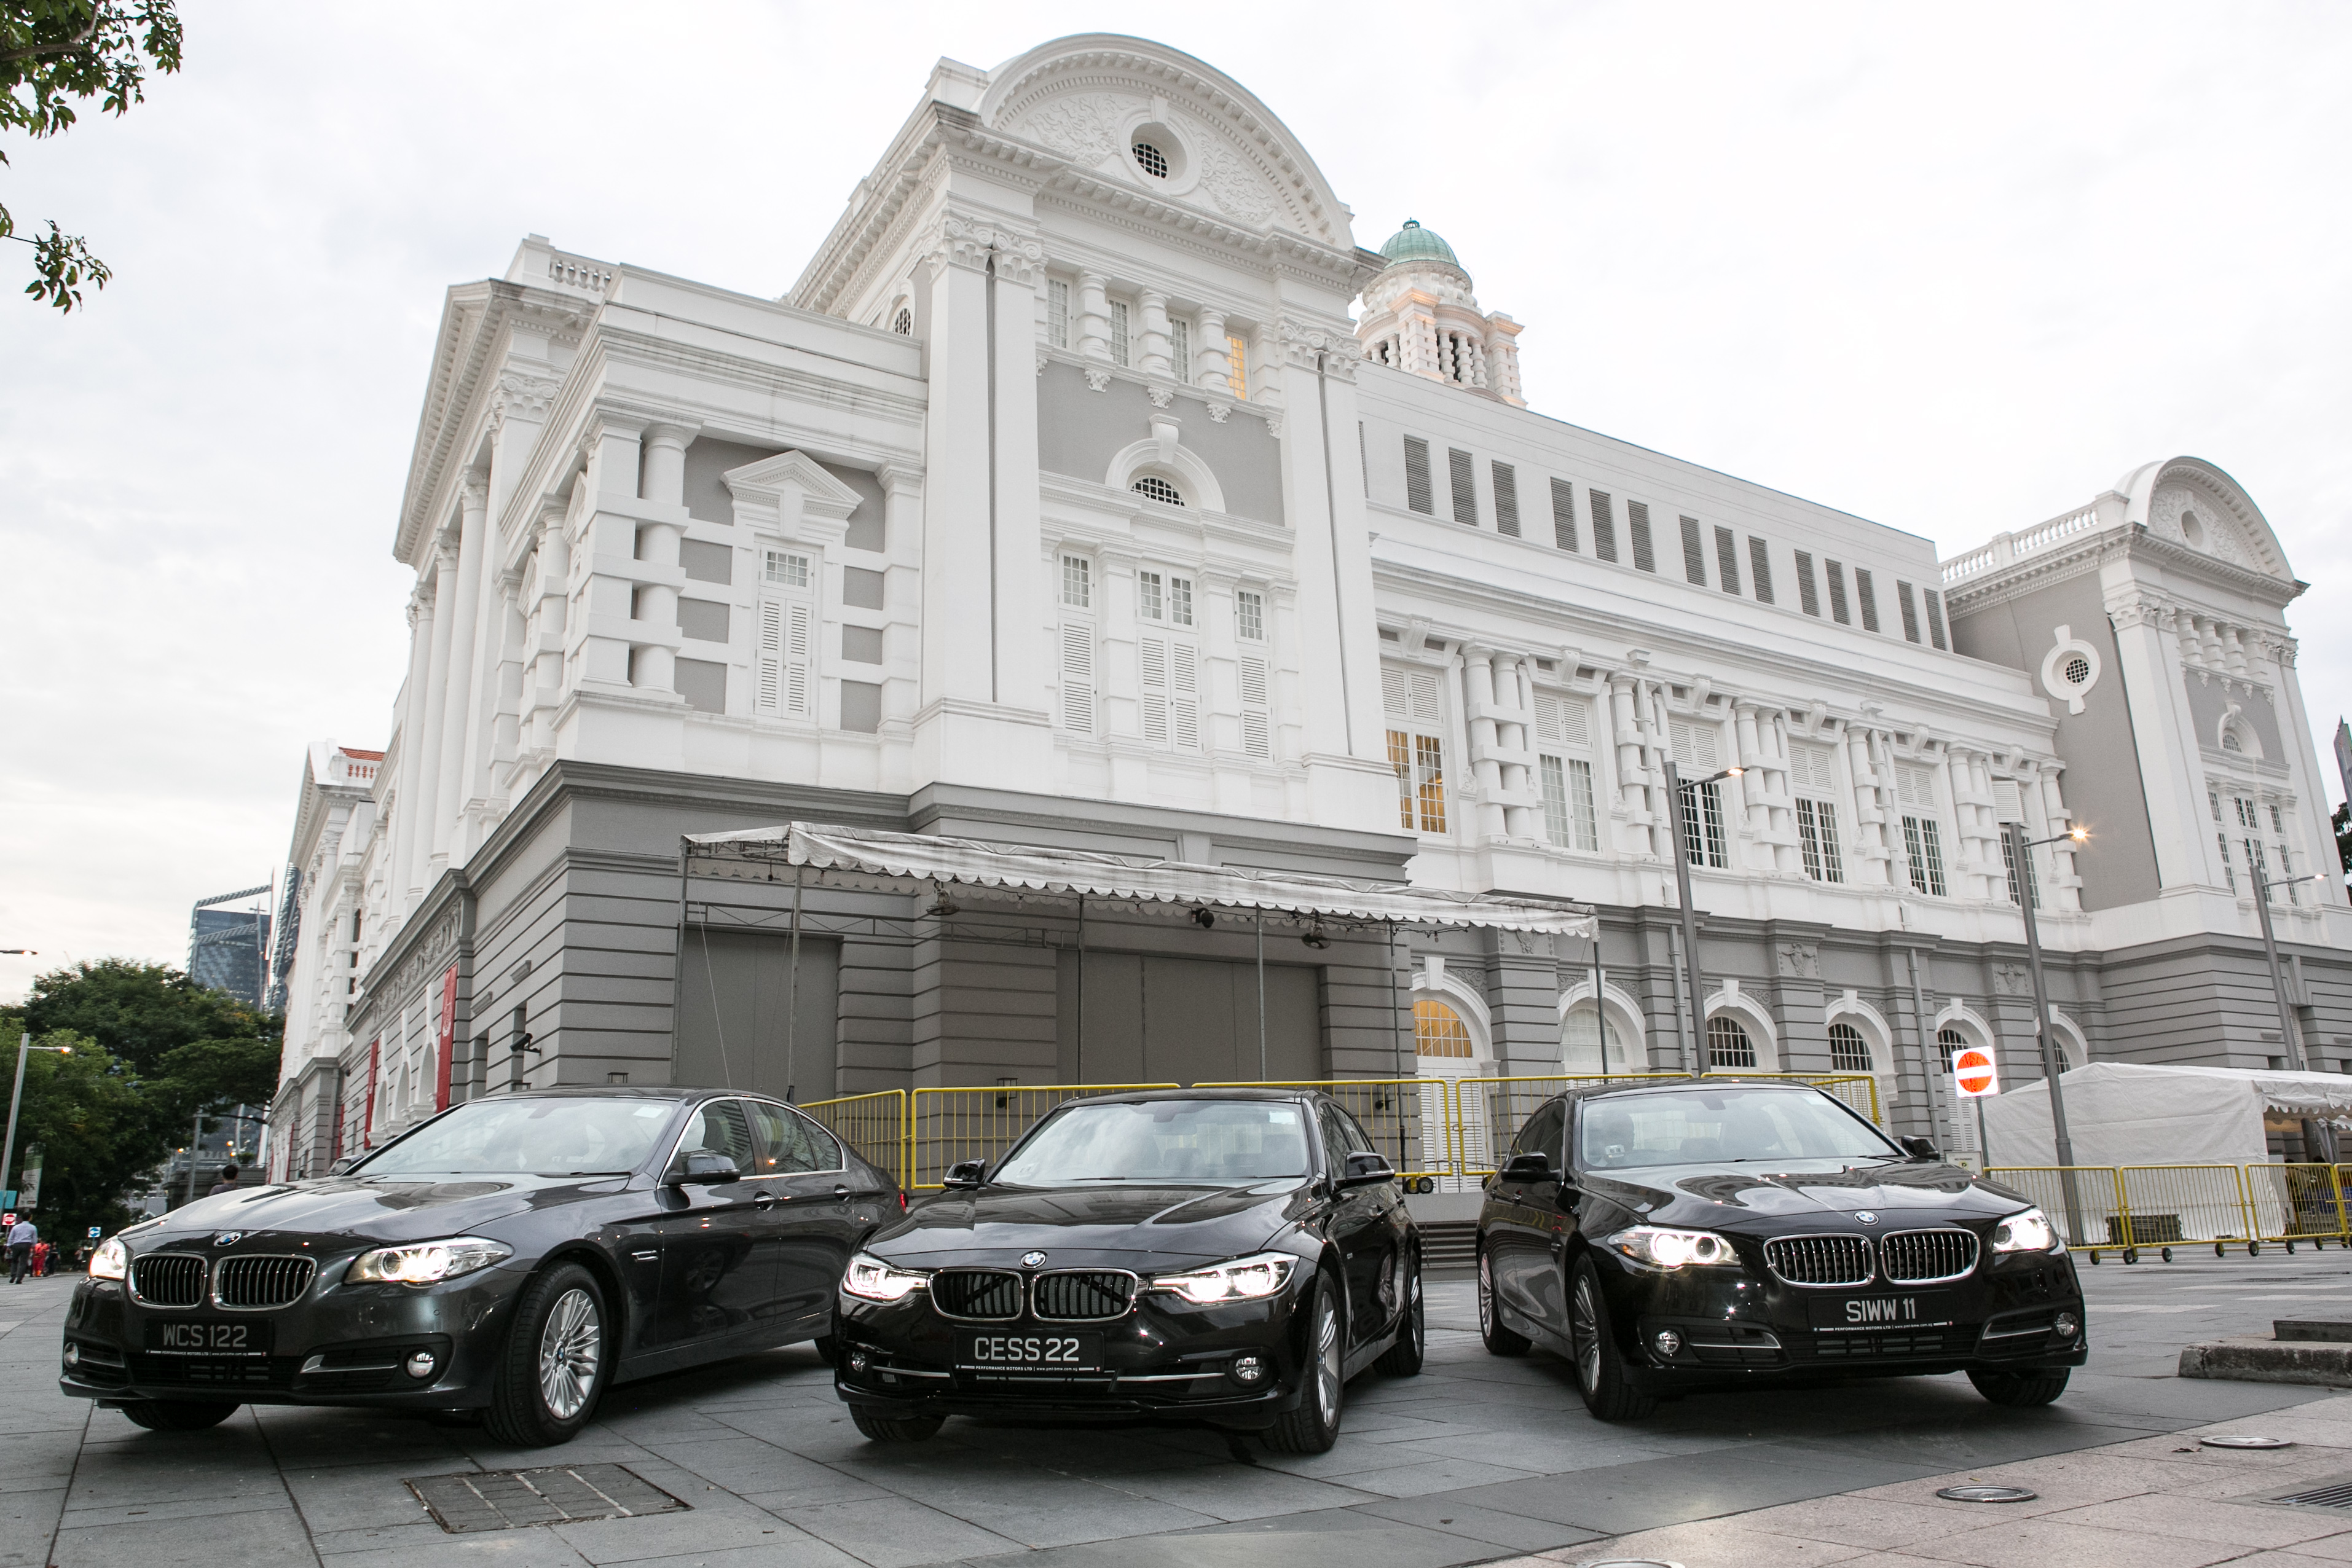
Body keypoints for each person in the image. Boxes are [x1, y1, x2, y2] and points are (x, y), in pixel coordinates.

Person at [7, 1217, 36, 1284]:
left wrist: (9, 1245)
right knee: (23, 1262)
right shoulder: (33, 1227)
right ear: (30, 1218)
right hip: (26, 1244)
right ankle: (19, 1278)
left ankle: (13, 1275)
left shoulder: (16, 1227)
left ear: (22, 1219)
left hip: (16, 1244)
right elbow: (34, 1238)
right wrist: (33, 1246)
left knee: (14, 1261)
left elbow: (11, 1237)